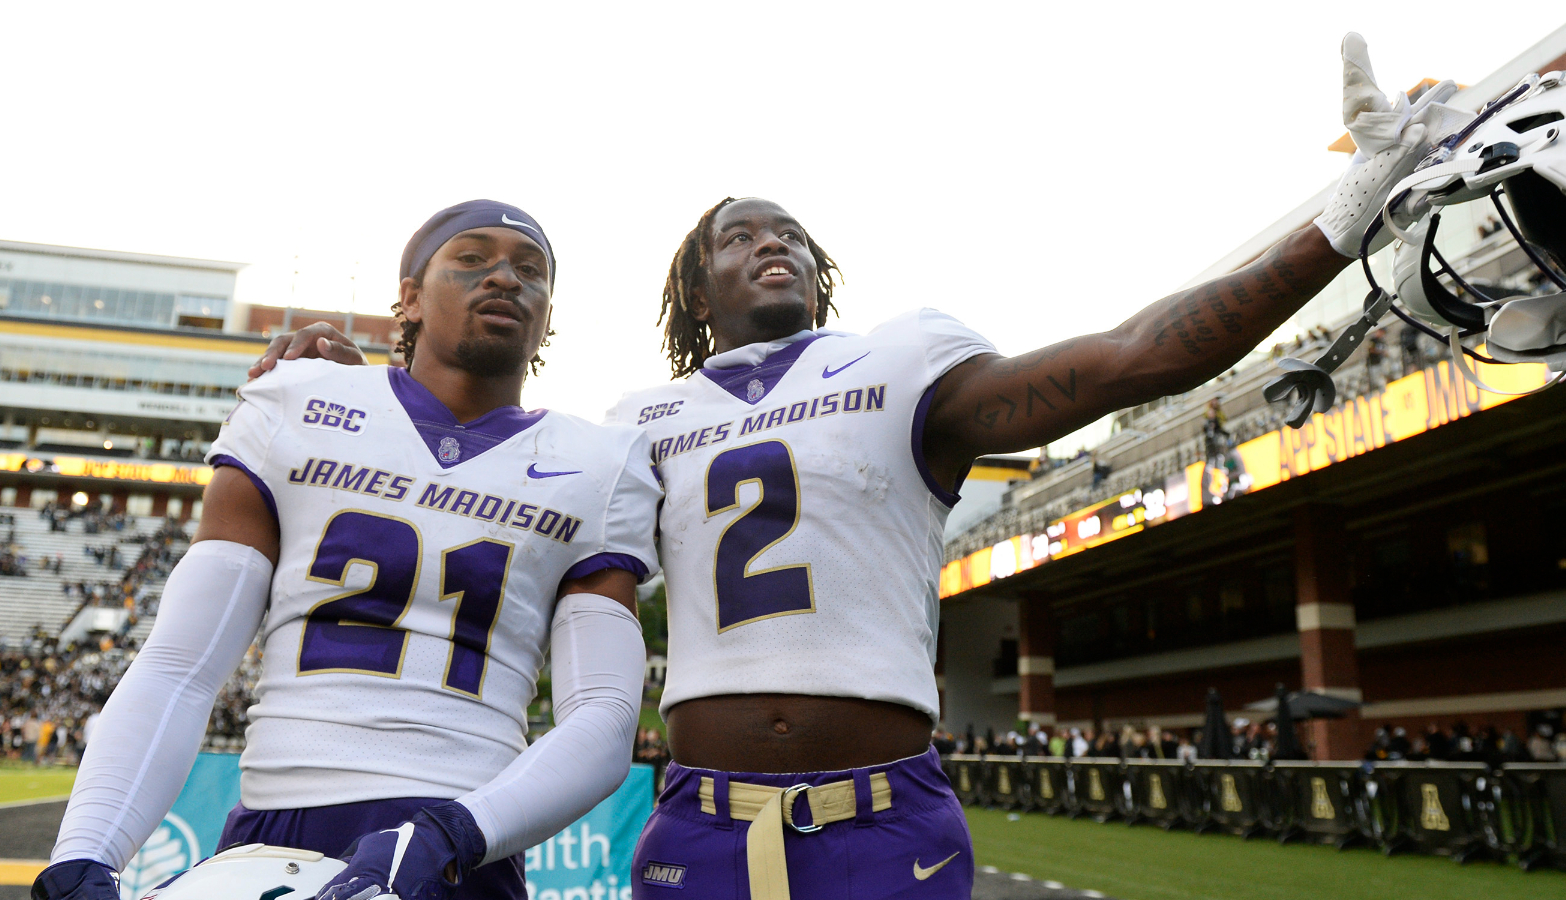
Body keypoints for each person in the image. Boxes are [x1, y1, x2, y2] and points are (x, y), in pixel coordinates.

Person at [259, 34, 1450, 900]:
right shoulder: (635, 420)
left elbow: (1132, 359)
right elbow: (480, 474)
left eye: (789, 234)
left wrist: (1348, 209)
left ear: (820, 271)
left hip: (885, 820)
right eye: (740, 235)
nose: (770, 242)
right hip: (699, 827)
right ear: (695, 287)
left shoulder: (901, 363)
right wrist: (353, 377)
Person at [33, 201, 662, 900]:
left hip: (464, 837)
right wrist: (86, 852)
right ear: (409, 297)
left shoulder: (600, 463)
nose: (505, 278)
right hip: (275, 832)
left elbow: (605, 716)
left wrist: (453, 834)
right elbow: (181, 664)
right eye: (472, 258)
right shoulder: (299, 405)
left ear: (548, 317)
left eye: (530, 269)